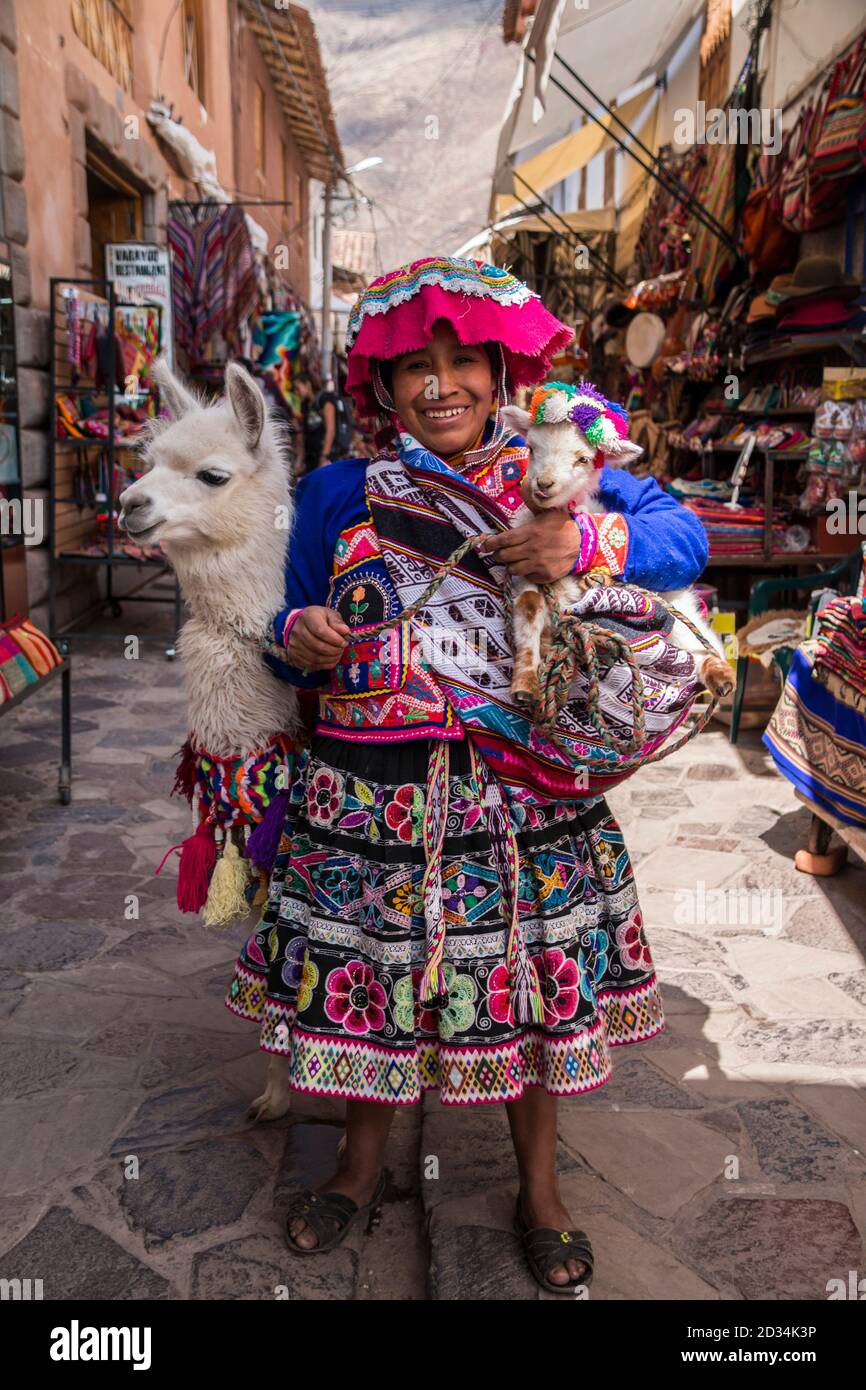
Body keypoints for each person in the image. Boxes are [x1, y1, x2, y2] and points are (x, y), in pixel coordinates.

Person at [225, 257, 709, 1293]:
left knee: (526, 988)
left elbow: (684, 535)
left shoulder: (561, 467)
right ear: (382, 387)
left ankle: (538, 1188)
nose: (437, 384)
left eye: (460, 363)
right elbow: (280, 625)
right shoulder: (334, 494)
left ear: (499, 372)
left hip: (521, 792)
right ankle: (358, 1167)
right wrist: (295, 634)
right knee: (375, 985)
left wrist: (581, 538)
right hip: (368, 793)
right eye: (414, 368)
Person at [295, 371, 352, 473]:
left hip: (326, 457)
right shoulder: (305, 405)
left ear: (307, 384)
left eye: (297, 387)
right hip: (311, 457)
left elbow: (331, 429)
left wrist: (324, 457)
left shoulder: (324, 400)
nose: (296, 392)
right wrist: (300, 459)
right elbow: (305, 433)